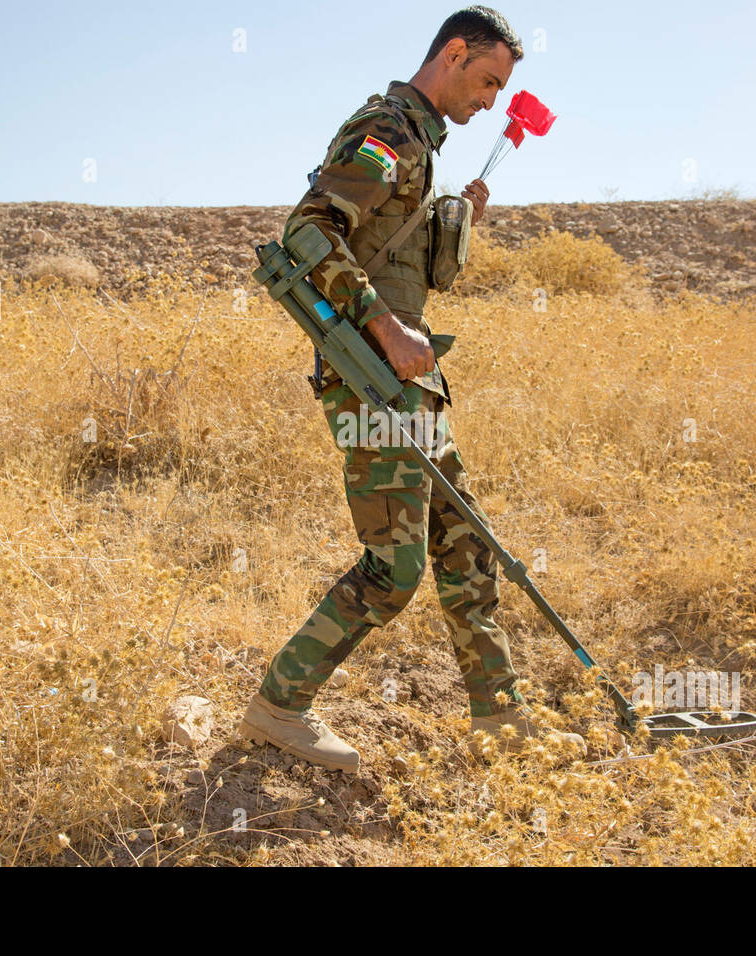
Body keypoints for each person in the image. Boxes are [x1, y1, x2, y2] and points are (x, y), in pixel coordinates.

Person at [238, 6, 585, 773]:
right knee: (393, 571)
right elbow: (309, 230)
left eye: (502, 89)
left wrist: (454, 224)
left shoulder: (422, 146)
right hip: (370, 379)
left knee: (466, 541)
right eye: (488, 80)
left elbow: (405, 267)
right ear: (453, 54)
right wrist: (384, 326)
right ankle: (279, 705)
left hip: (409, 383)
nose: (491, 101)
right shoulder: (389, 128)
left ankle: (499, 714)